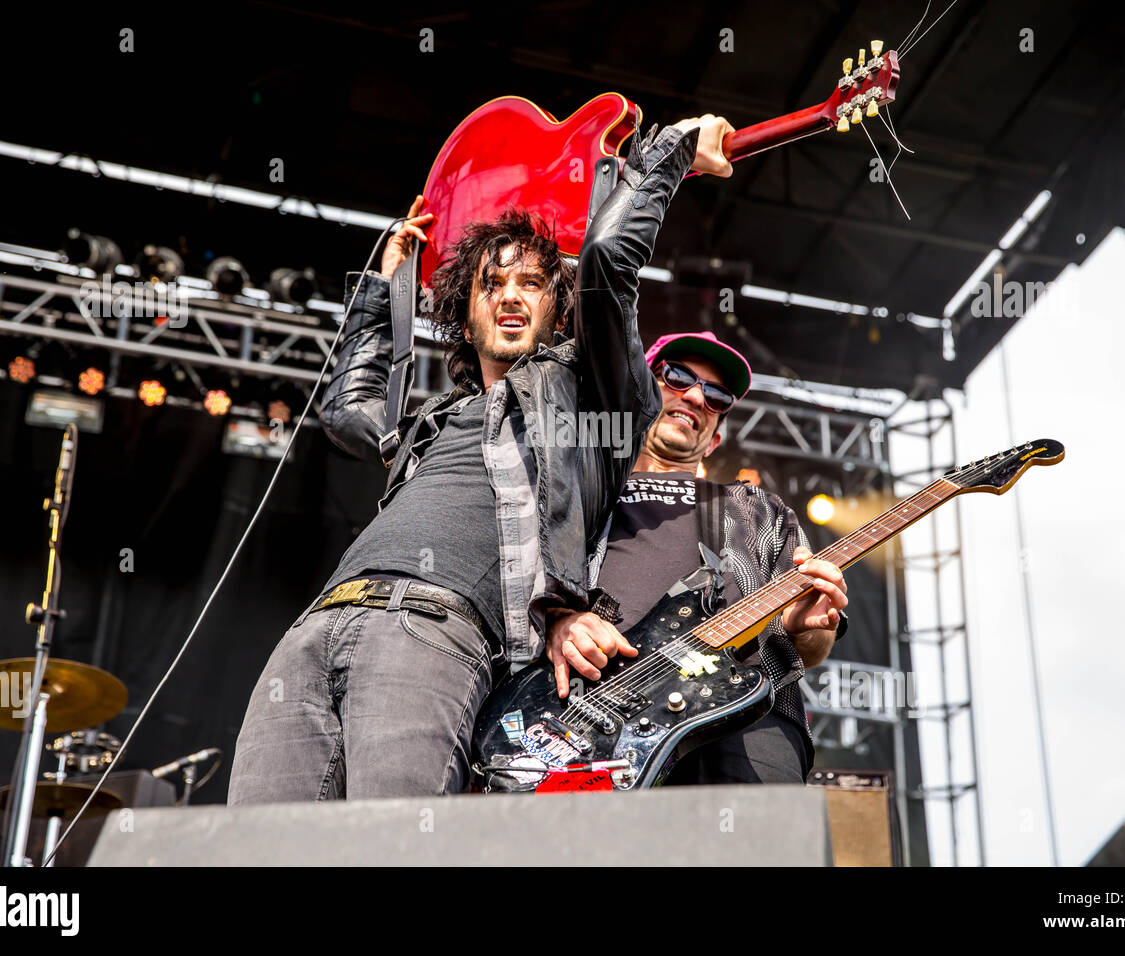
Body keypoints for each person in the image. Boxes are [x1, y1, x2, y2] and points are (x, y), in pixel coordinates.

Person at [228, 115, 737, 802]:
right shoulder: (437, 422)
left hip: (433, 632)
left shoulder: (593, 400)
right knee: (256, 844)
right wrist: (384, 292)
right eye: (491, 284)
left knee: (394, 845)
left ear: (561, 312)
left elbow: (608, 261)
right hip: (316, 626)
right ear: (464, 316)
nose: (509, 295)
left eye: (532, 283)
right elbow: (349, 411)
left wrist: (669, 154)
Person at [543, 331, 849, 784]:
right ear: (639, 392)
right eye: (678, 376)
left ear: (715, 440)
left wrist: (807, 625)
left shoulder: (761, 511)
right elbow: (515, 585)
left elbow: (813, 644)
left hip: (747, 725)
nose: (695, 396)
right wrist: (558, 621)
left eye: (716, 395)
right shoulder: (578, 490)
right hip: (586, 718)